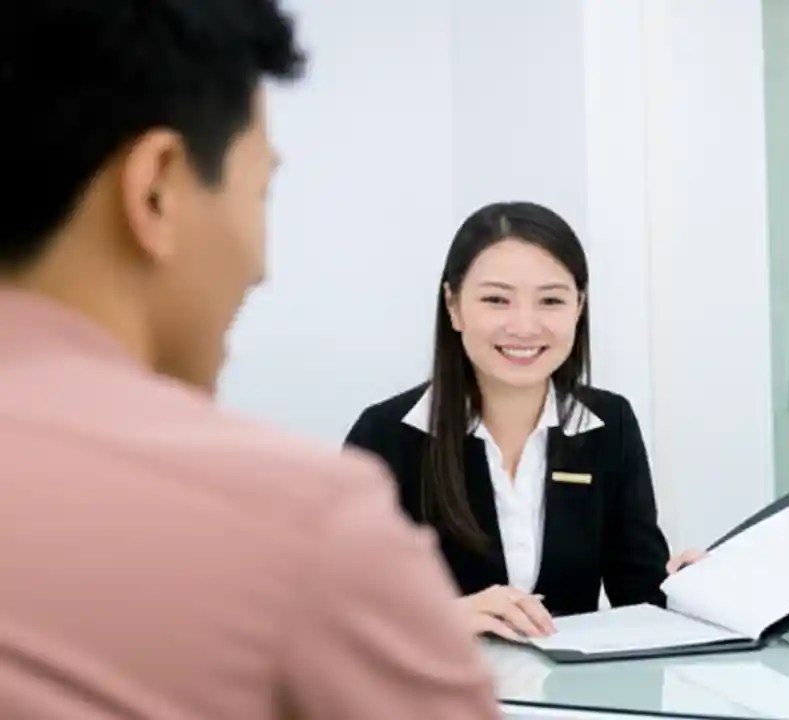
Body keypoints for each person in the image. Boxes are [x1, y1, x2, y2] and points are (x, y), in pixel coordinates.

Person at [0, 2, 498, 719]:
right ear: (156, 189)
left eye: (553, 300)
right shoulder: (305, 523)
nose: (261, 267)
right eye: (260, 189)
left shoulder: (612, 420)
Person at [345, 201, 703, 642]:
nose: (525, 326)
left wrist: (694, 591)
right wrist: (442, 617)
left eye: (551, 300)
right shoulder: (386, 435)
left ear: (578, 307)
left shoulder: (610, 425)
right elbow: (337, 609)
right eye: (496, 300)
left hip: (569, 702)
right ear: (453, 305)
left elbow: (640, 598)